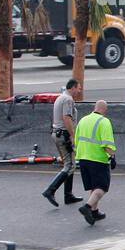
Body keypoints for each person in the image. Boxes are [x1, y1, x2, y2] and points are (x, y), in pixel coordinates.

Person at [41, 78, 83, 208]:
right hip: (63, 134)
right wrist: (72, 135)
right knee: (70, 166)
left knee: (68, 164)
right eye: (79, 88)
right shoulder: (68, 100)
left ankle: (68, 195)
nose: (80, 91)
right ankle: (50, 190)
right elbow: (67, 118)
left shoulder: (61, 97)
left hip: (58, 133)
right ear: (73, 87)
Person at [73, 99, 116, 226]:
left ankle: (94, 212)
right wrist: (112, 156)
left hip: (83, 158)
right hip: (98, 159)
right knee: (102, 187)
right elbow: (107, 144)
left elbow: (76, 140)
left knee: (94, 186)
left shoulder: (83, 120)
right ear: (105, 110)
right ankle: (87, 207)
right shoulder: (104, 121)